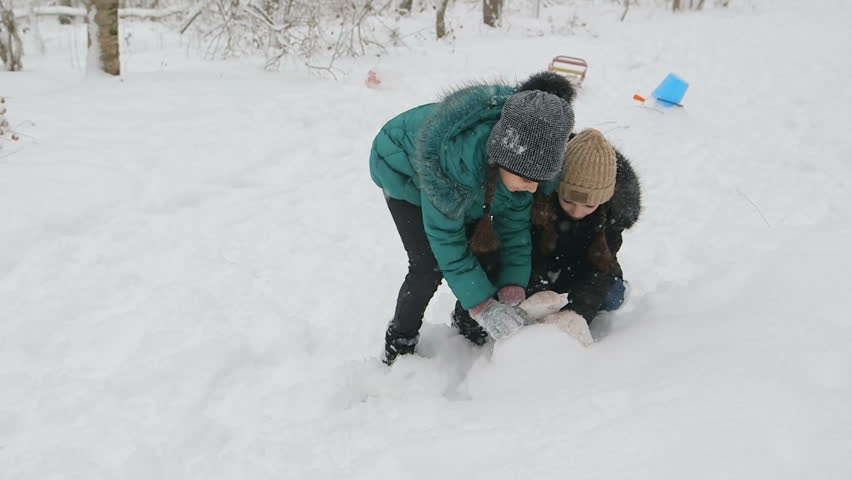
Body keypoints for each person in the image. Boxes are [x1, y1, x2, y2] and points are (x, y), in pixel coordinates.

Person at [369, 72, 577, 364]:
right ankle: (399, 342)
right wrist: (484, 307)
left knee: (484, 248)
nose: (533, 189)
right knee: (428, 264)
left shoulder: (522, 163)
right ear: (502, 161)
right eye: (527, 180)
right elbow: (448, 243)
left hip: (476, 177)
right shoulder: (453, 172)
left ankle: (465, 321)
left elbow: (515, 233)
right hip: (400, 165)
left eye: (539, 181)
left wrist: (512, 289)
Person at [526, 128, 642, 342]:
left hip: (581, 268)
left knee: (612, 295)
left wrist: (577, 312)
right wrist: (537, 290)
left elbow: (600, 268)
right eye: (568, 201)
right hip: (544, 266)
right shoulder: (539, 201)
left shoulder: (613, 215)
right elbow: (527, 250)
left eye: (589, 205)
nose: (577, 212)